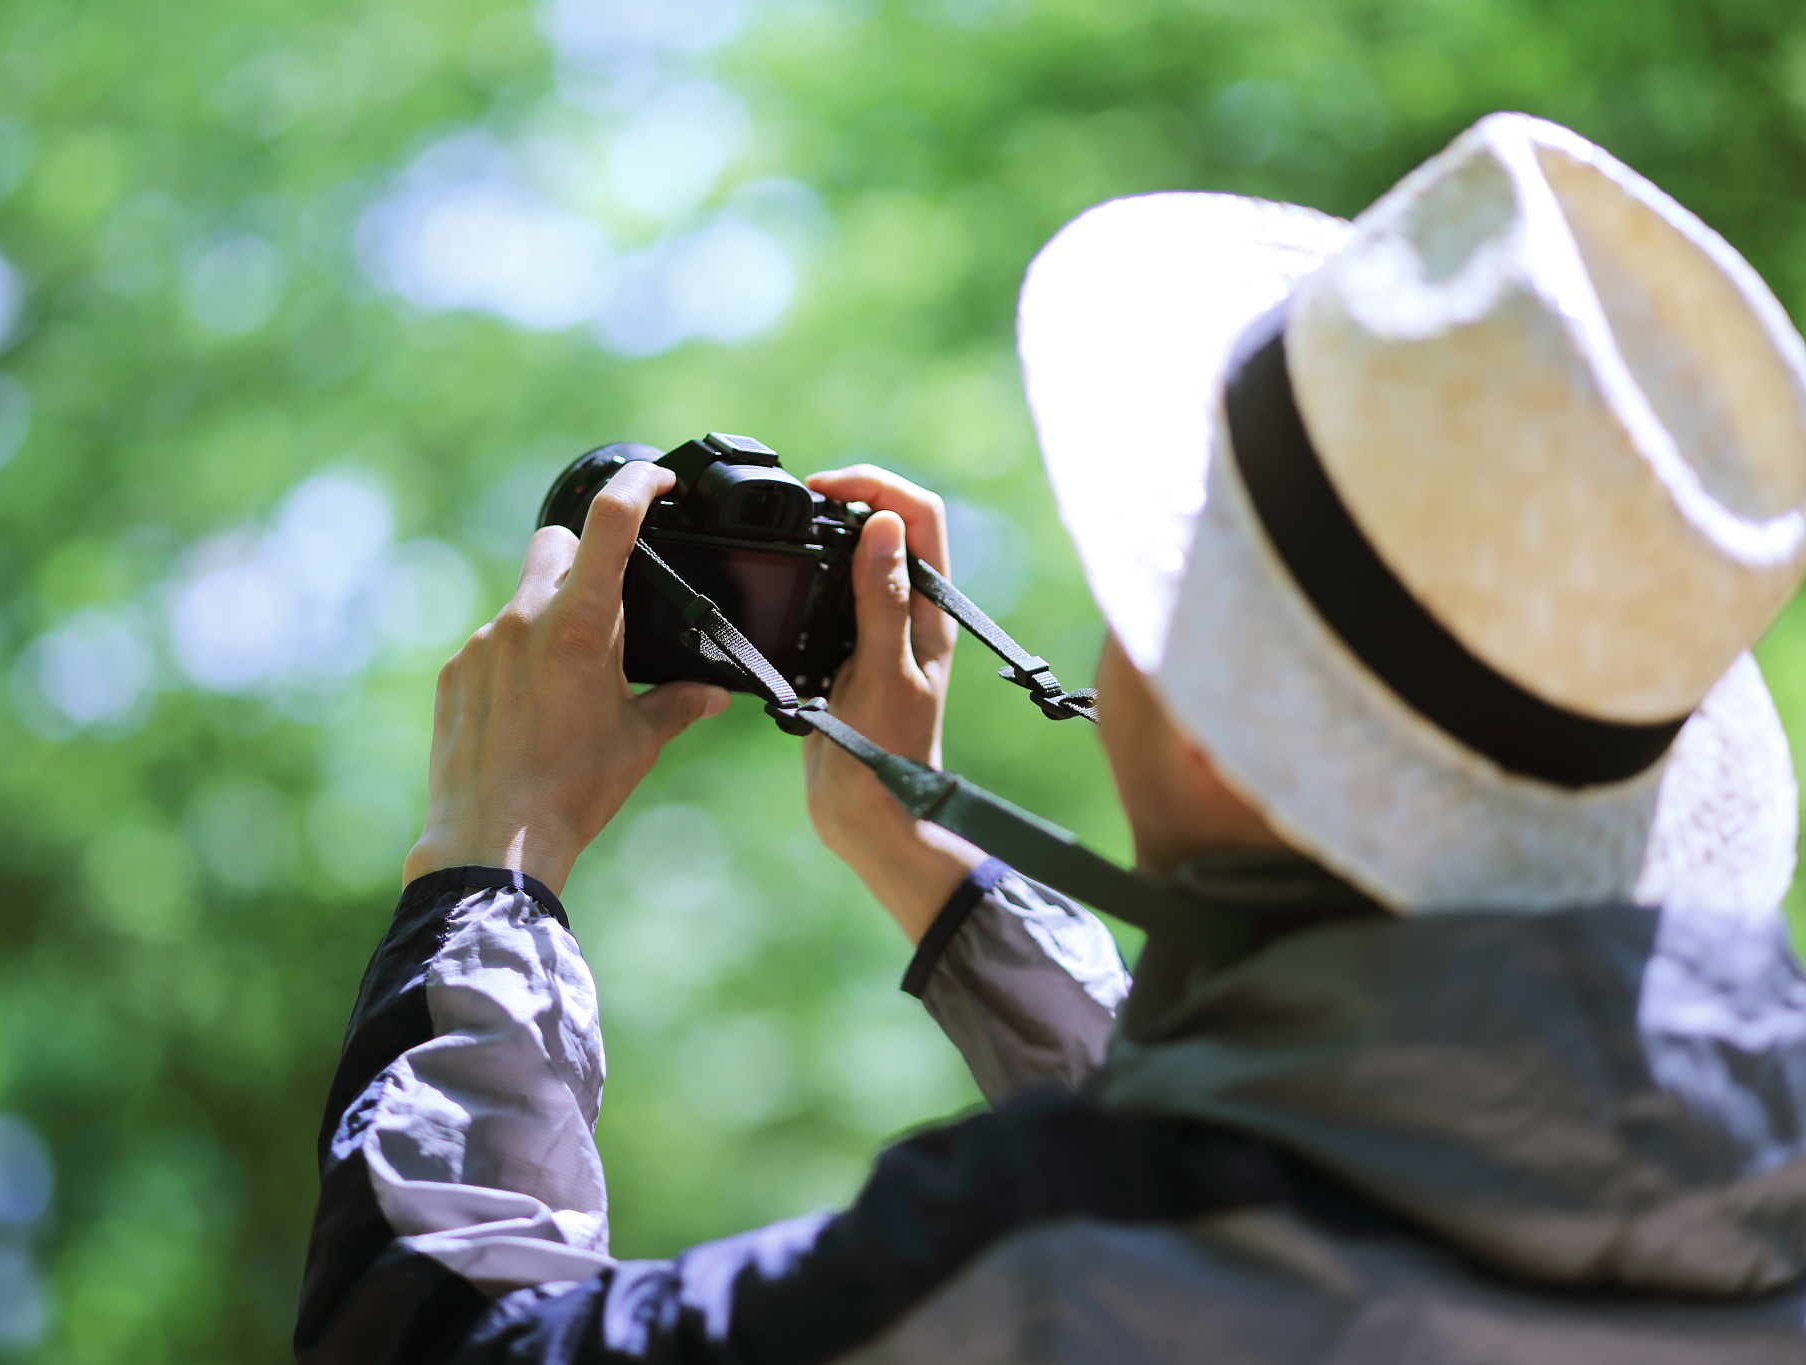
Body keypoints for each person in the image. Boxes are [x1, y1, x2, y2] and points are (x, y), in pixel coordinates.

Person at [293, 113, 1806, 1363]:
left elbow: (438, 1338)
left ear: (1222, 726)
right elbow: (1323, 1176)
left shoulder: (1040, 1263)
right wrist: (933, 868)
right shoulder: (1739, 1187)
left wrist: (489, 866)